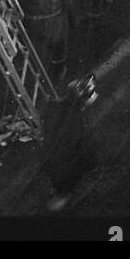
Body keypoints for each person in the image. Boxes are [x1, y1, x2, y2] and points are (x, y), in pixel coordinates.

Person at [41, 75, 99, 212]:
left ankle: (56, 189)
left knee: (57, 173)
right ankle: (60, 197)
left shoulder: (51, 107)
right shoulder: (79, 121)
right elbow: (84, 145)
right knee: (67, 179)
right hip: (67, 162)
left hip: (51, 155)